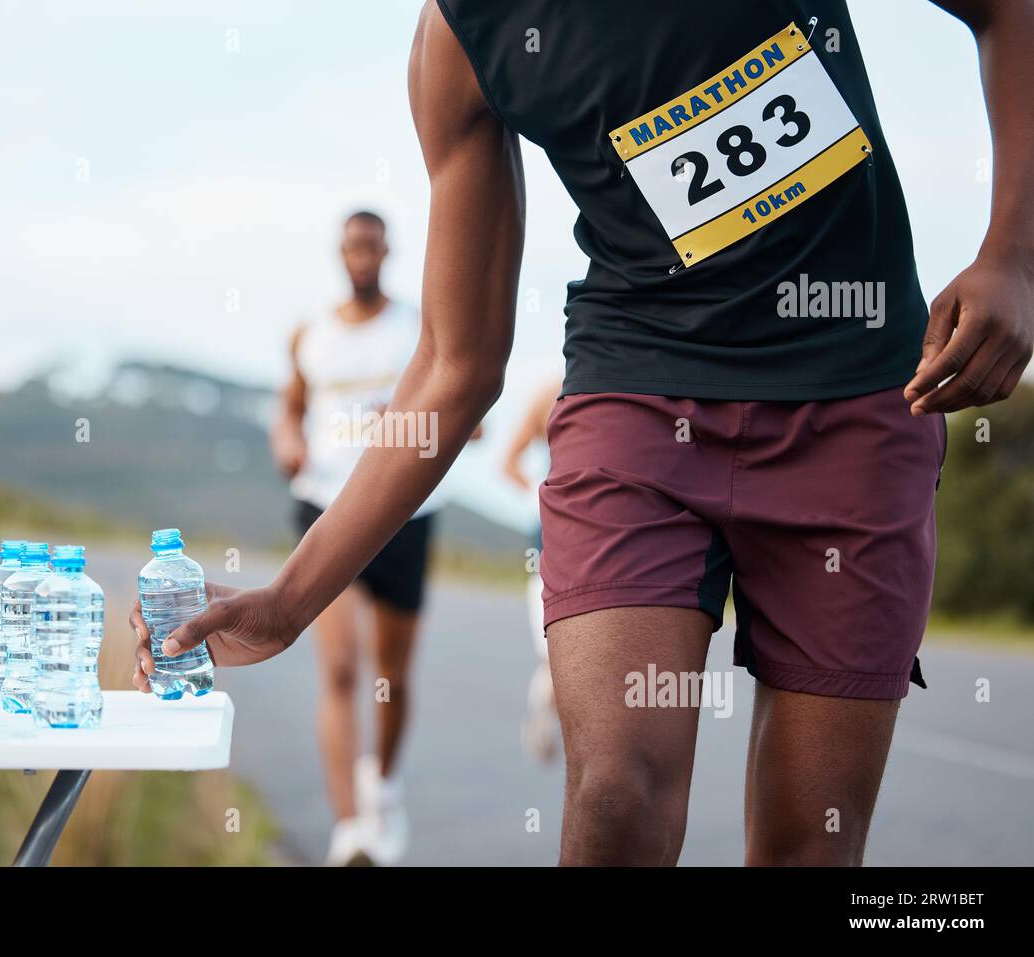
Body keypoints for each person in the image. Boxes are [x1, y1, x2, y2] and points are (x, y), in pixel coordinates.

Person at [132, 0, 1034, 866]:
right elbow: (457, 363)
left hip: (856, 403)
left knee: (813, 844)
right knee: (616, 796)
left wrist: (1014, 258)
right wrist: (290, 598)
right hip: (637, 407)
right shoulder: (462, 36)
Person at [268, 211, 441, 866]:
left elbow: (462, 400)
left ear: (387, 250)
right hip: (324, 502)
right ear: (339, 253)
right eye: (350, 245)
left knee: (390, 676)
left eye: (371, 244)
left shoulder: (416, 327)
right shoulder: (310, 334)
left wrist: (423, 423)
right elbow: (290, 403)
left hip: (406, 507)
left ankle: (385, 788)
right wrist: (287, 439)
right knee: (340, 669)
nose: (361, 255)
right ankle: (348, 830)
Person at [501, 376, 562, 763]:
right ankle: (546, 714)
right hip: (551, 537)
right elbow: (508, 461)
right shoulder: (550, 392)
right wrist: (539, 497)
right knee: (555, 651)